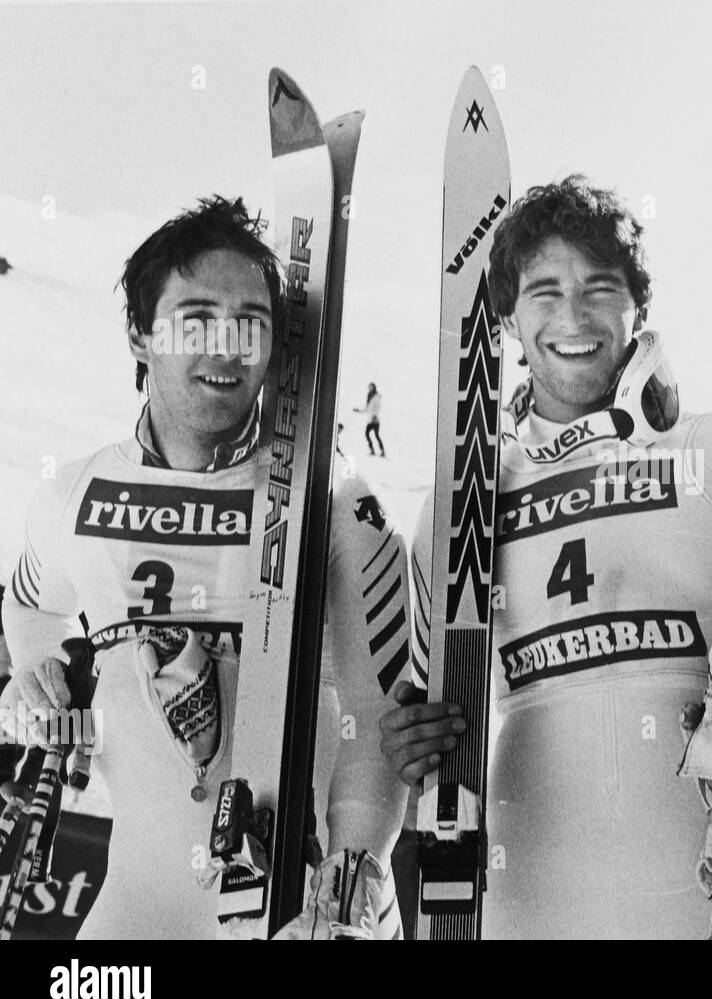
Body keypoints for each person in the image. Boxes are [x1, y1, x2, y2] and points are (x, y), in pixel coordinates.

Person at [381, 176, 712, 939]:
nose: (573, 316)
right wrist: (411, 764)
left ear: (637, 304)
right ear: (508, 319)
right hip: (526, 909)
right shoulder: (459, 510)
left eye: (598, 287)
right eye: (543, 292)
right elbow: (430, 718)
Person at [0, 197, 410, 939]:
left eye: (251, 322)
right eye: (196, 317)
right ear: (139, 332)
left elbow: (376, 718)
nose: (226, 345)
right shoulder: (73, 494)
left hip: (306, 907)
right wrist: (37, 670)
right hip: (135, 912)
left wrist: (353, 873)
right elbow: (32, 608)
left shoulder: (340, 504)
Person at [354, 382, 385, 457]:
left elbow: (378, 407)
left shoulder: (376, 397)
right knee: (367, 434)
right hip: (370, 420)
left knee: (376, 435)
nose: (369, 388)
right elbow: (367, 409)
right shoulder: (369, 397)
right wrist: (359, 411)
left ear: (374, 387)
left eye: (371, 387)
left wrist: (375, 416)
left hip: (375, 420)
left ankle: (382, 451)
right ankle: (372, 450)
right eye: (369, 387)